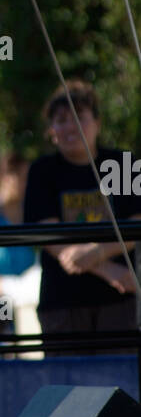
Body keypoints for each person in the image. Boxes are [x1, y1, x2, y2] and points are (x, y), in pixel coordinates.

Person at [24, 80, 140, 343]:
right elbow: (48, 233)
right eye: (62, 120)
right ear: (51, 131)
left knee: (119, 381)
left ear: (97, 123)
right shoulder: (43, 171)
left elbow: (136, 223)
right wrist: (107, 268)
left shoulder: (123, 163)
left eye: (80, 117)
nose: (71, 126)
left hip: (119, 304)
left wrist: (96, 252)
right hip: (63, 304)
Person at [0, 153, 40, 338]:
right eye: (22, 177)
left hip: (24, 296)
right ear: (5, 177)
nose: (26, 183)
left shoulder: (30, 210)